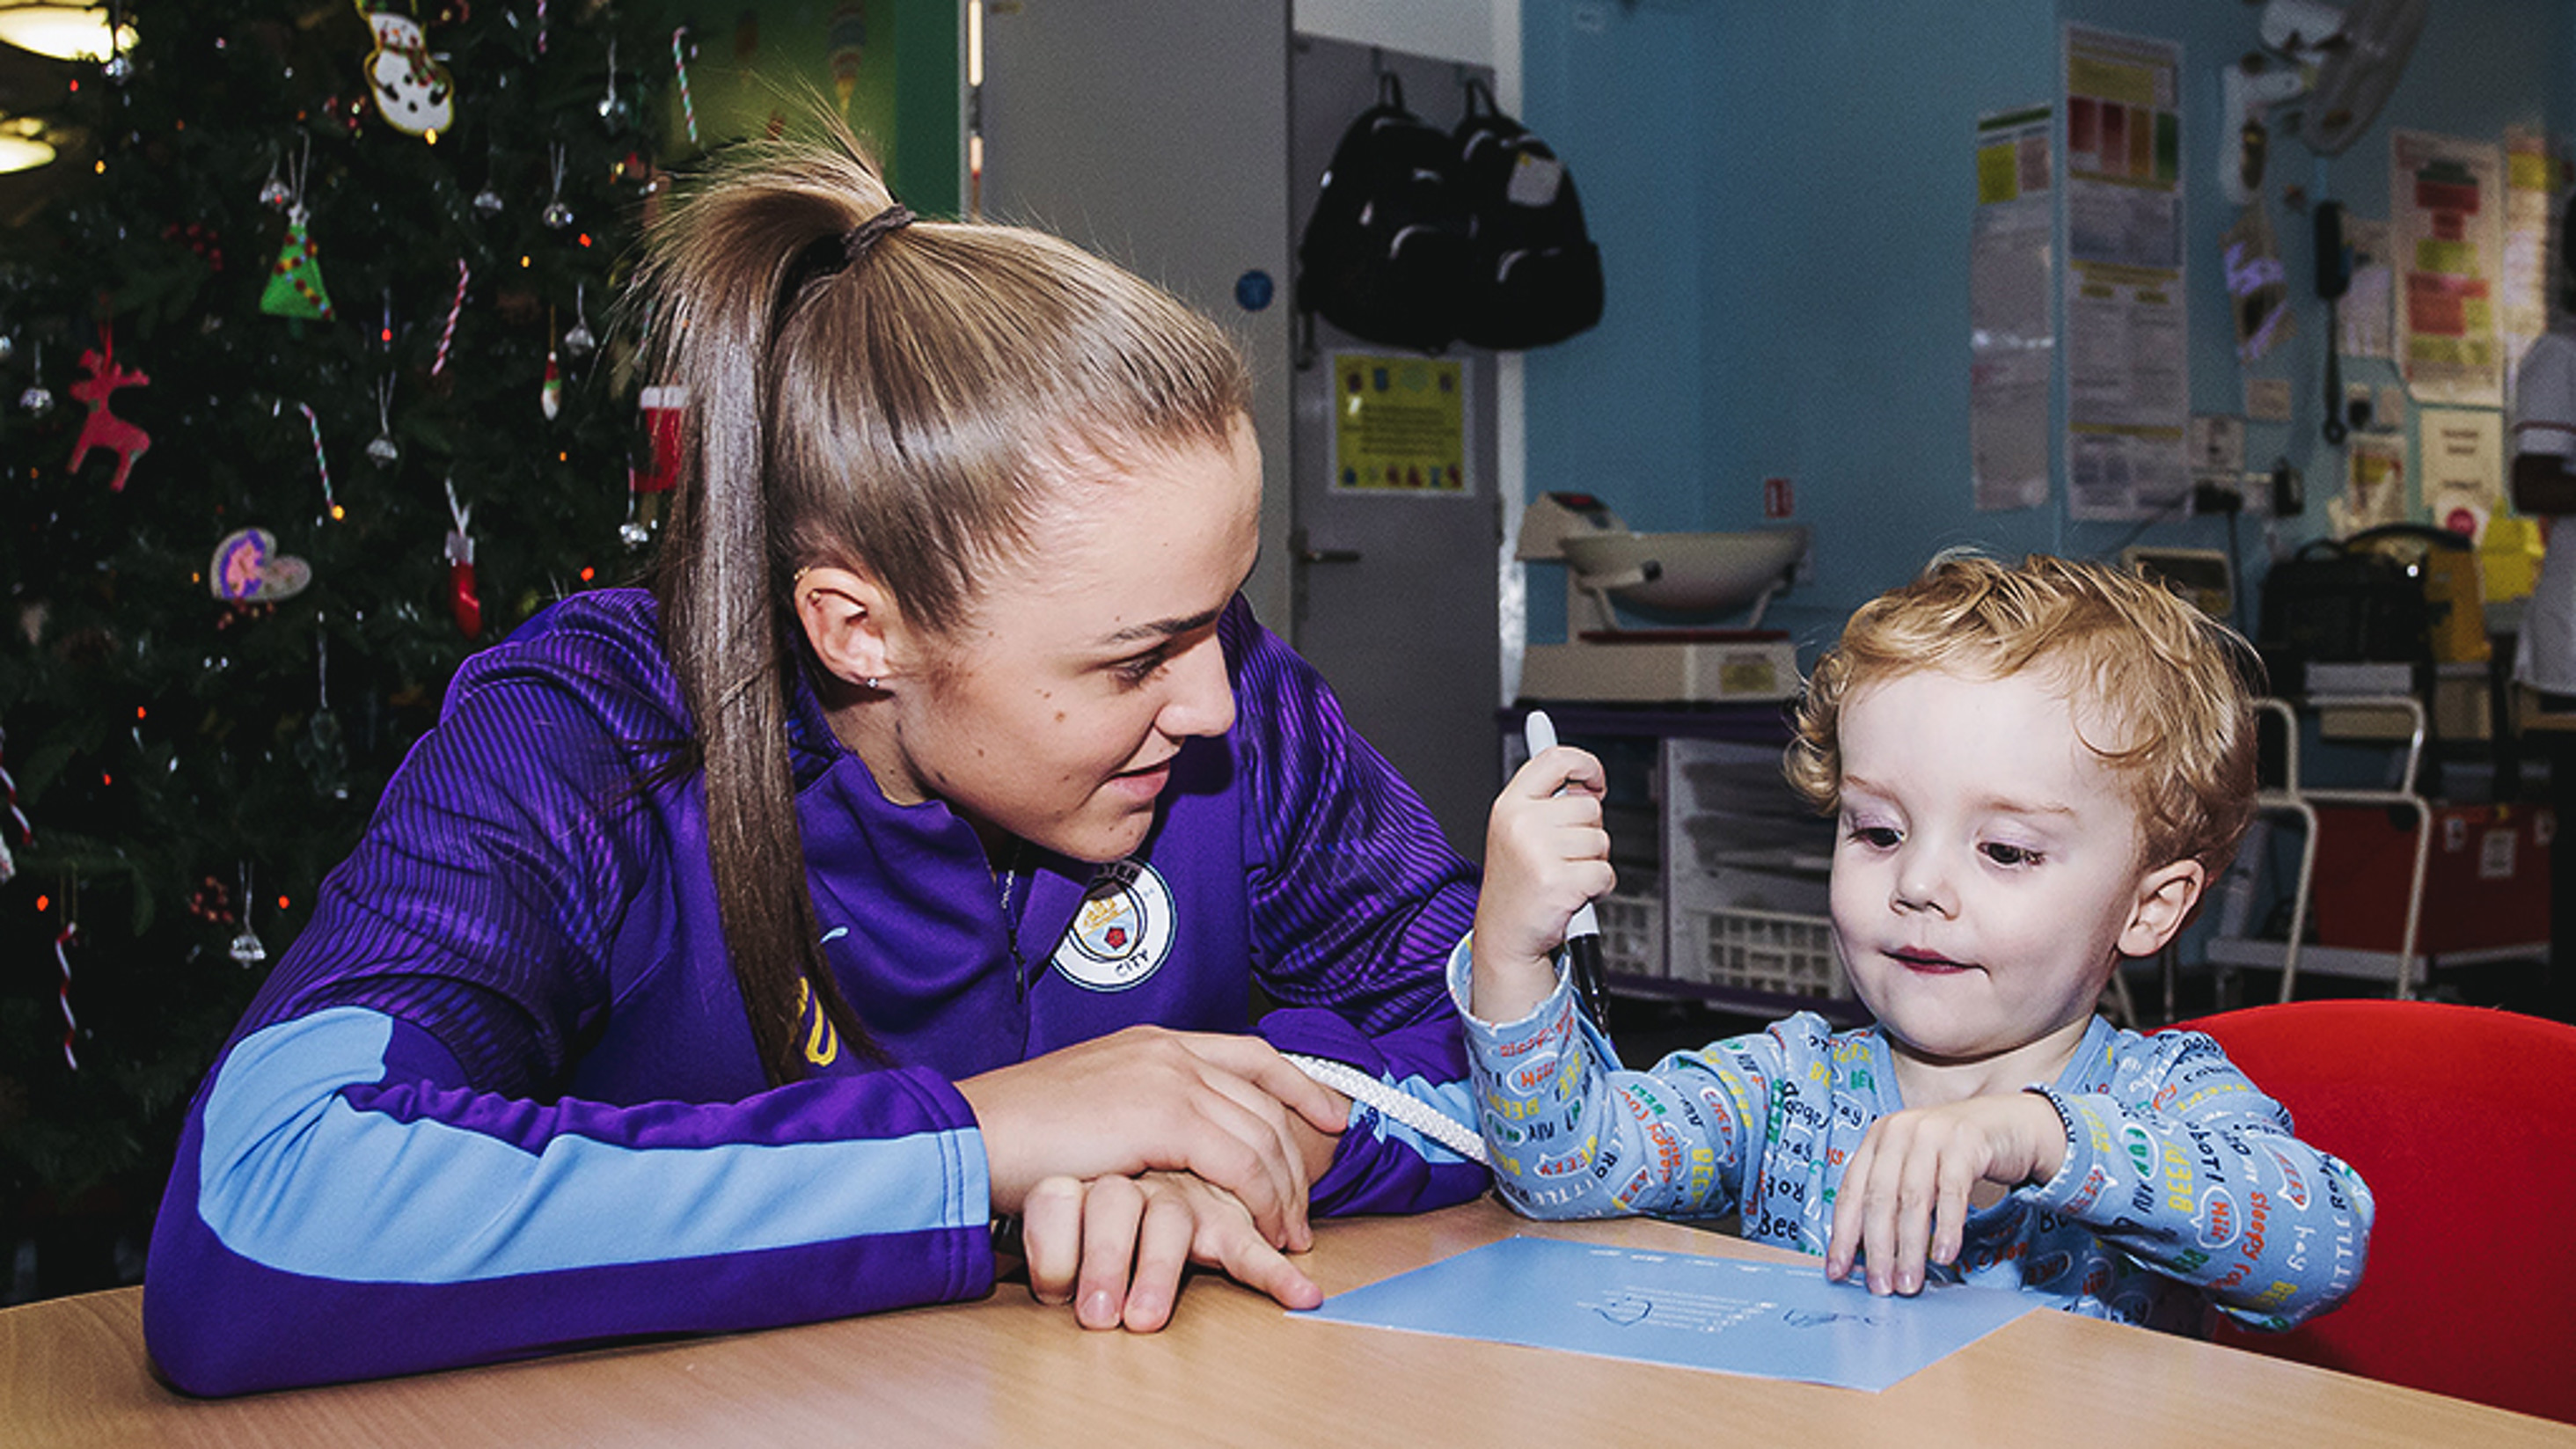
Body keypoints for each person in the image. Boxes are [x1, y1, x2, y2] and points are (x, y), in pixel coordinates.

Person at [143, 120, 1487, 1396]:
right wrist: (980, 1144)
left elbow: (1519, 1057)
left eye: (1221, 614)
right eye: (1134, 657)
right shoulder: (590, 729)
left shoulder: (1232, 692)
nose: (1215, 704)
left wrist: (1230, 1147)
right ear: (860, 630)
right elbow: (265, 1202)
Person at [1460, 553, 2374, 1333]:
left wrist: (2043, 1139)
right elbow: (1566, 1169)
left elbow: (2326, 1241)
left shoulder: (2161, 1095)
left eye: (2006, 850)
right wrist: (1509, 954)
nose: (1919, 885)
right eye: (1879, 832)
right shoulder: (1789, 1089)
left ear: (2151, 907)